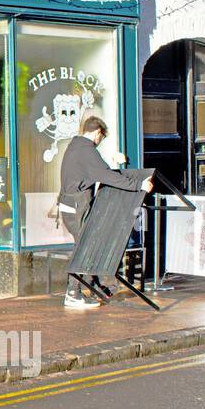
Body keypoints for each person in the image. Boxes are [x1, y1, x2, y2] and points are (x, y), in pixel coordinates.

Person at [58, 116, 153, 308]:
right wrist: (138, 184)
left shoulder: (74, 146)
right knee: (84, 248)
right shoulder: (86, 149)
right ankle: (73, 293)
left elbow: (97, 172)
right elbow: (105, 175)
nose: (99, 141)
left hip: (70, 204)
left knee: (86, 246)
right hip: (77, 207)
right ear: (97, 133)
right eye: (101, 137)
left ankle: (95, 286)